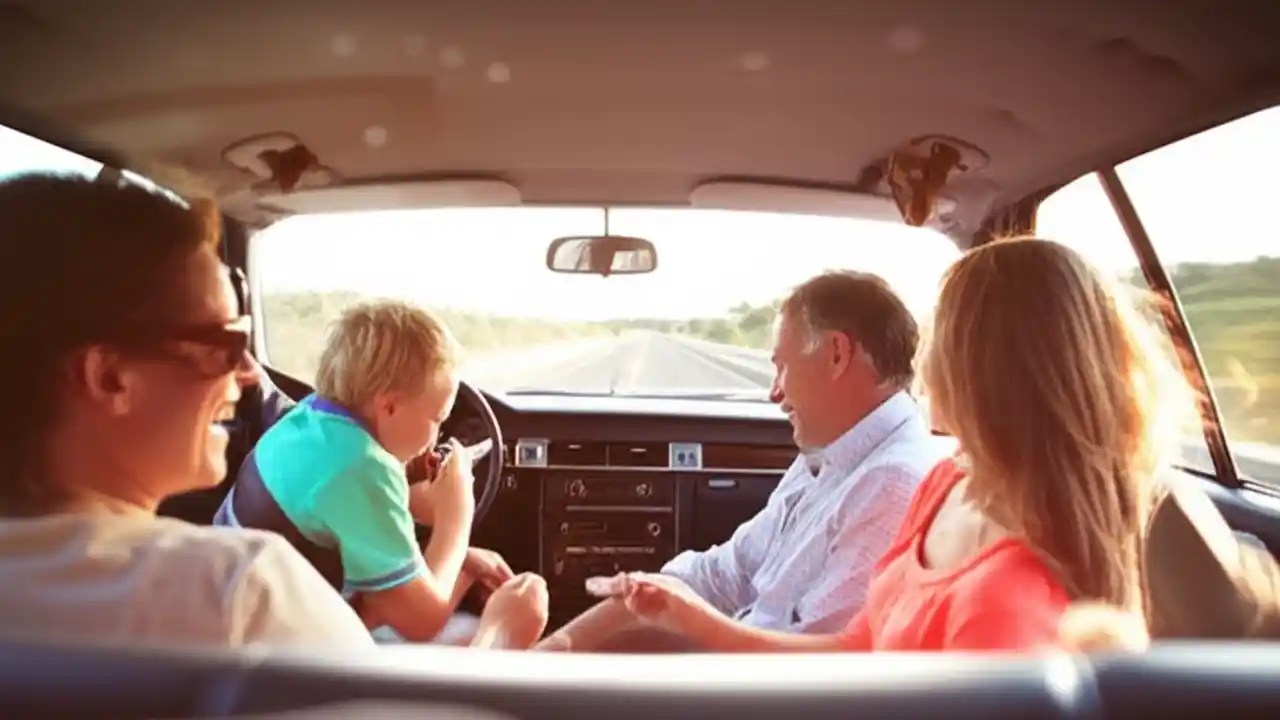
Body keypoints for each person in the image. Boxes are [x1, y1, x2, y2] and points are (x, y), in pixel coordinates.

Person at [0, 173, 547, 650]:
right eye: (224, 343)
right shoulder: (245, 591)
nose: (246, 373)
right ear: (110, 378)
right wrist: (500, 630)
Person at [583, 238, 1192, 652]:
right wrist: (686, 614)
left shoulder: (1002, 599)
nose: (922, 359)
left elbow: (846, 686)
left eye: (939, 335)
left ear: (983, 367)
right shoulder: (947, 485)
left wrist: (696, 628)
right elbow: (857, 649)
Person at [541, 271, 946, 651]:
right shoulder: (831, 452)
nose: (774, 393)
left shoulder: (891, 485)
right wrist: (556, 651)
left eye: (782, 367)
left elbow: (816, 676)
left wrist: (689, 622)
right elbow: (727, 572)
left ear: (837, 354)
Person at [215, 300, 510, 644]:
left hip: (239, 608)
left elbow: (362, 508)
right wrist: (457, 513)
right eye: (438, 419)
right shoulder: (362, 466)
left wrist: (460, 556)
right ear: (389, 407)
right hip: (275, 647)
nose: (438, 436)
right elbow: (423, 621)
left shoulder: (313, 420)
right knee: (485, 625)